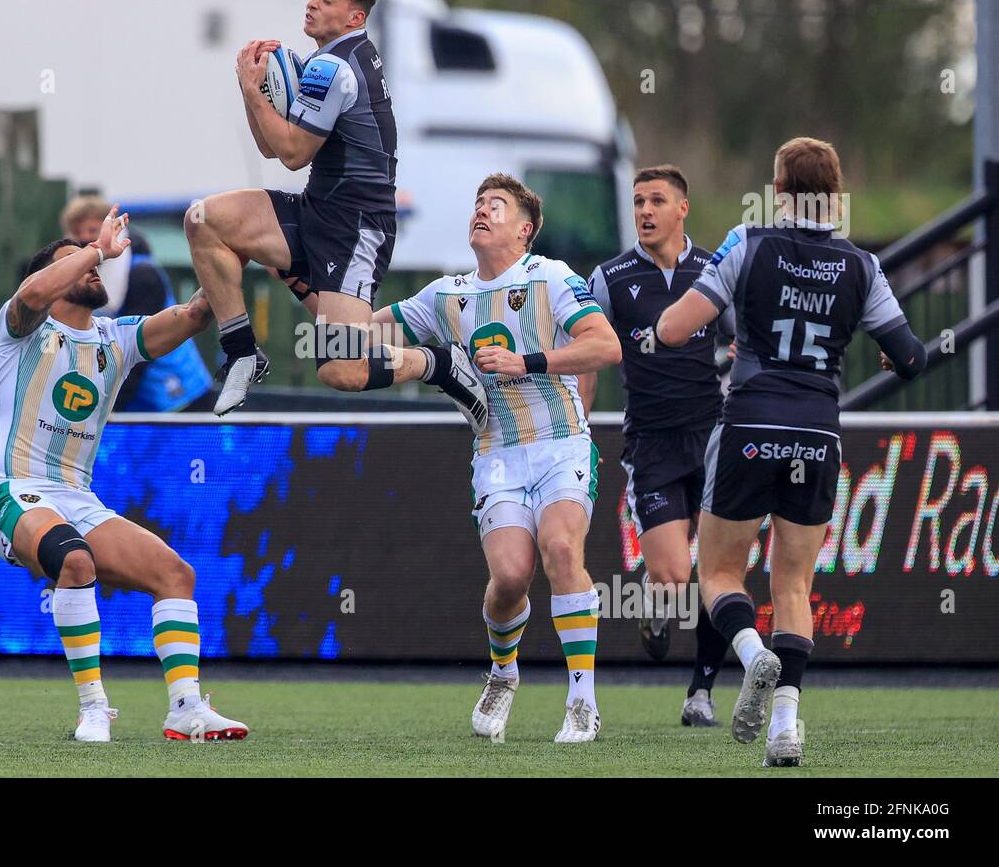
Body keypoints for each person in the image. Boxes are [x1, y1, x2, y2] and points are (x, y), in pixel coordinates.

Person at [288, 173, 620, 742]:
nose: (482, 212)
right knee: (510, 578)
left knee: (561, 548)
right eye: (477, 204)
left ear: (525, 230)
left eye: (496, 205)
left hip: (562, 440)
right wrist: (311, 293)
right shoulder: (447, 294)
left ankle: (582, 701)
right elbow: (362, 329)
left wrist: (528, 362)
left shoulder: (550, 276)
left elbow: (606, 345)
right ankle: (502, 671)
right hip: (497, 452)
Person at [656, 137, 925, 766]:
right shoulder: (862, 266)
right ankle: (785, 728)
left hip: (751, 424)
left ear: (779, 190)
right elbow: (912, 357)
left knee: (720, 573)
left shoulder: (748, 245)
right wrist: (890, 352)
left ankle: (752, 656)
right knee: (795, 584)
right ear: (836, 194)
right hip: (817, 431)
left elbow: (672, 329)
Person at [0, 207, 249, 743]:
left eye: (93, 264)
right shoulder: (22, 329)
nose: (92, 270)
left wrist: (229, 257)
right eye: (76, 263)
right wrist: (93, 248)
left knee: (176, 575)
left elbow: (194, 314)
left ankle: (186, 709)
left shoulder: (114, 339)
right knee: (75, 562)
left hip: (77, 498)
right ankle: (94, 709)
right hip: (15, 491)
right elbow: (34, 292)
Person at [184, 0, 486, 427]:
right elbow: (271, 148)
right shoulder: (330, 61)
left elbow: (290, 154)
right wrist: (253, 94)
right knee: (205, 221)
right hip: (317, 210)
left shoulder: (333, 69)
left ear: (354, 17)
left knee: (341, 367)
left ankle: (439, 363)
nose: (312, 3)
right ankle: (242, 351)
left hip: (353, 228)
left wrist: (253, 89)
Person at [580, 165, 732, 727]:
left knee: (719, 570)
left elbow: (742, 336)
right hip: (652, 443)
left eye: (657, 201)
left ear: (681, 209)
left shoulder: (716, 269)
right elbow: (590, 352)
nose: (644, 211)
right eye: (639, 201)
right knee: (673, 574)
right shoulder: (612, 278)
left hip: (715, 438)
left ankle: (702, 693)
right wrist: (582, 421)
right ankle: (653, 598)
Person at [62, 194, 213, 412]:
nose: (85, 238)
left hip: (178, 396)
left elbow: (136, 352)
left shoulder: (143, 276)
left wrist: (103, 409)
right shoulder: (81, 279)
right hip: (137, 398)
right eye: (77, 232)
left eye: (93, 230)